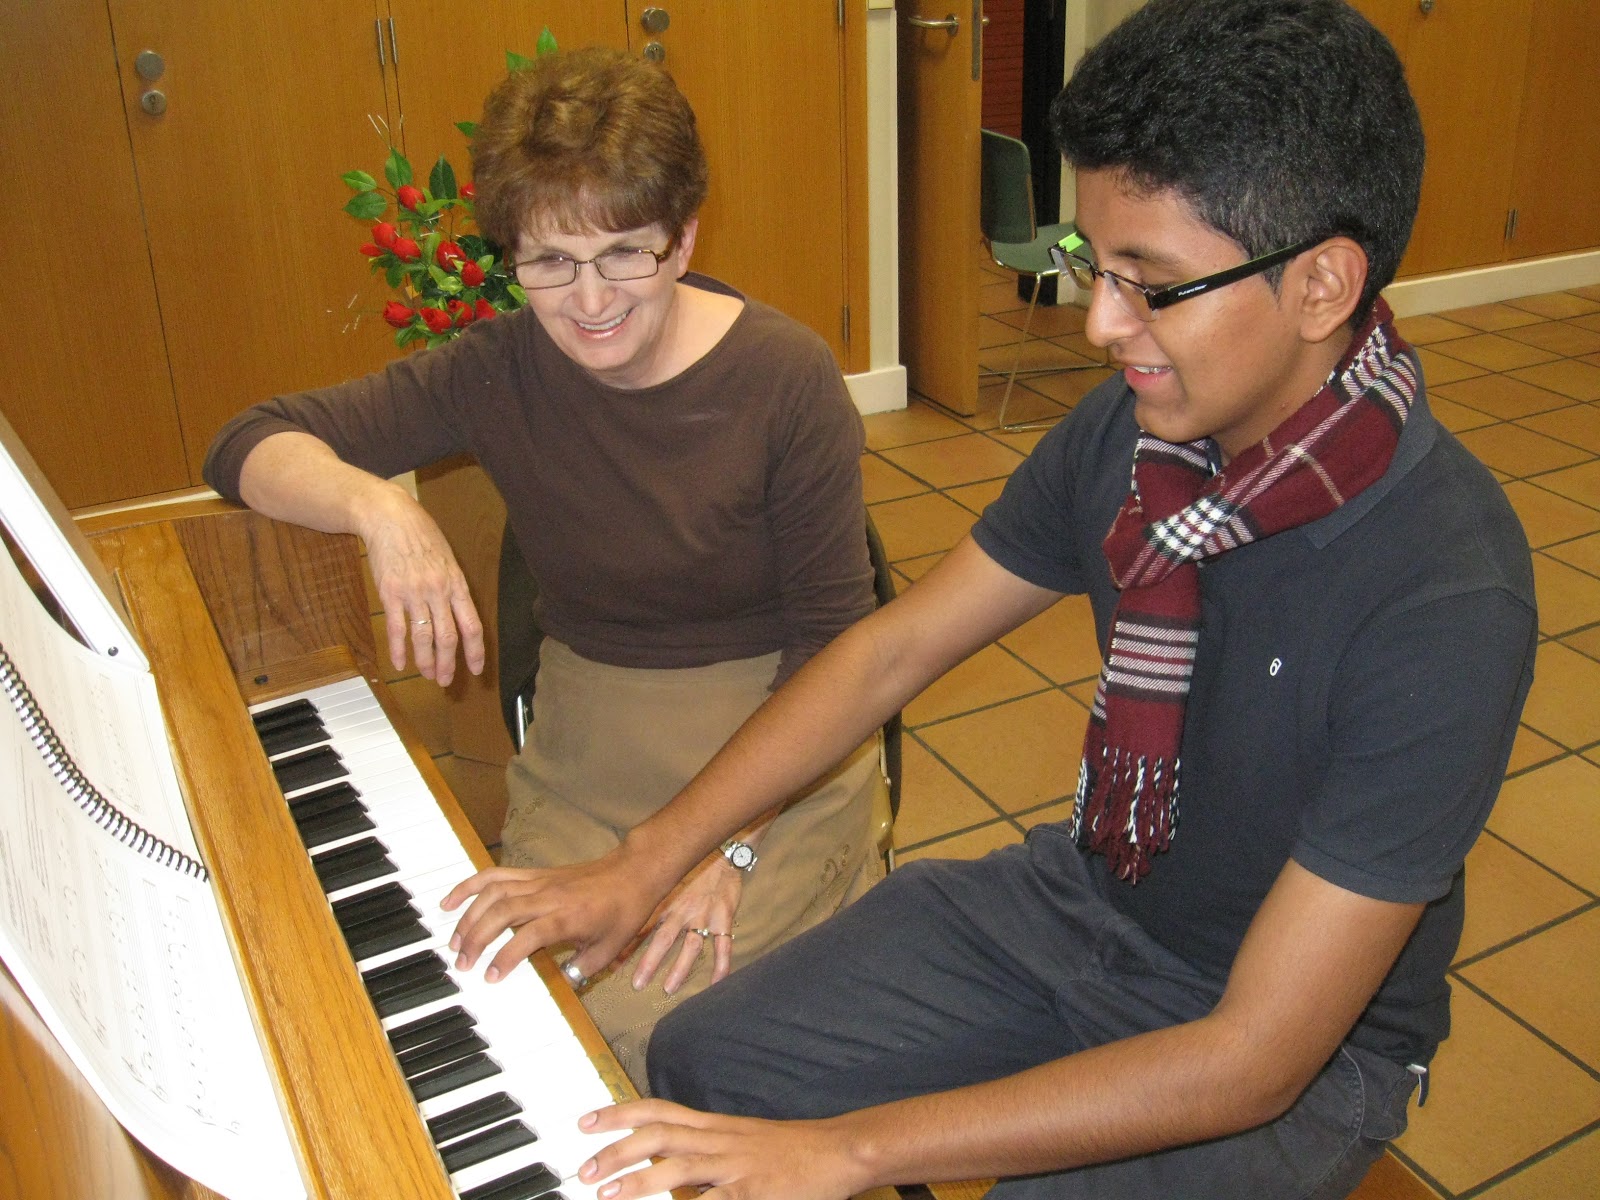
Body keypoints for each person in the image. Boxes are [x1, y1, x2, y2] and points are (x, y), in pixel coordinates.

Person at [442, 2, 1539, 1196]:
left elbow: (1253, 1059)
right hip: (1089, 902)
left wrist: (849, 1150)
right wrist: (645, 859)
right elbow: (886, 655)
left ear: (1322, 282)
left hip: (1298, 1044)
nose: (1099, 320)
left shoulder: (1445, 595)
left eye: (1151, 285)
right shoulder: (1133, 429)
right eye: (1094, 266)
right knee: (711, 1051)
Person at [202, 47, 885, 1091]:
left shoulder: (783, 380)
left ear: (684, 236)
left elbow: (838, 653)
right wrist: (378, 506)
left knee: (652, 1034)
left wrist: (726, 852)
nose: (589, 299)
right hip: (589, 747)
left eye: (625, 253)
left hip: (779, 756)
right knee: (516, 1012)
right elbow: (248, 441)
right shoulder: (499, 367)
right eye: (549, 262)